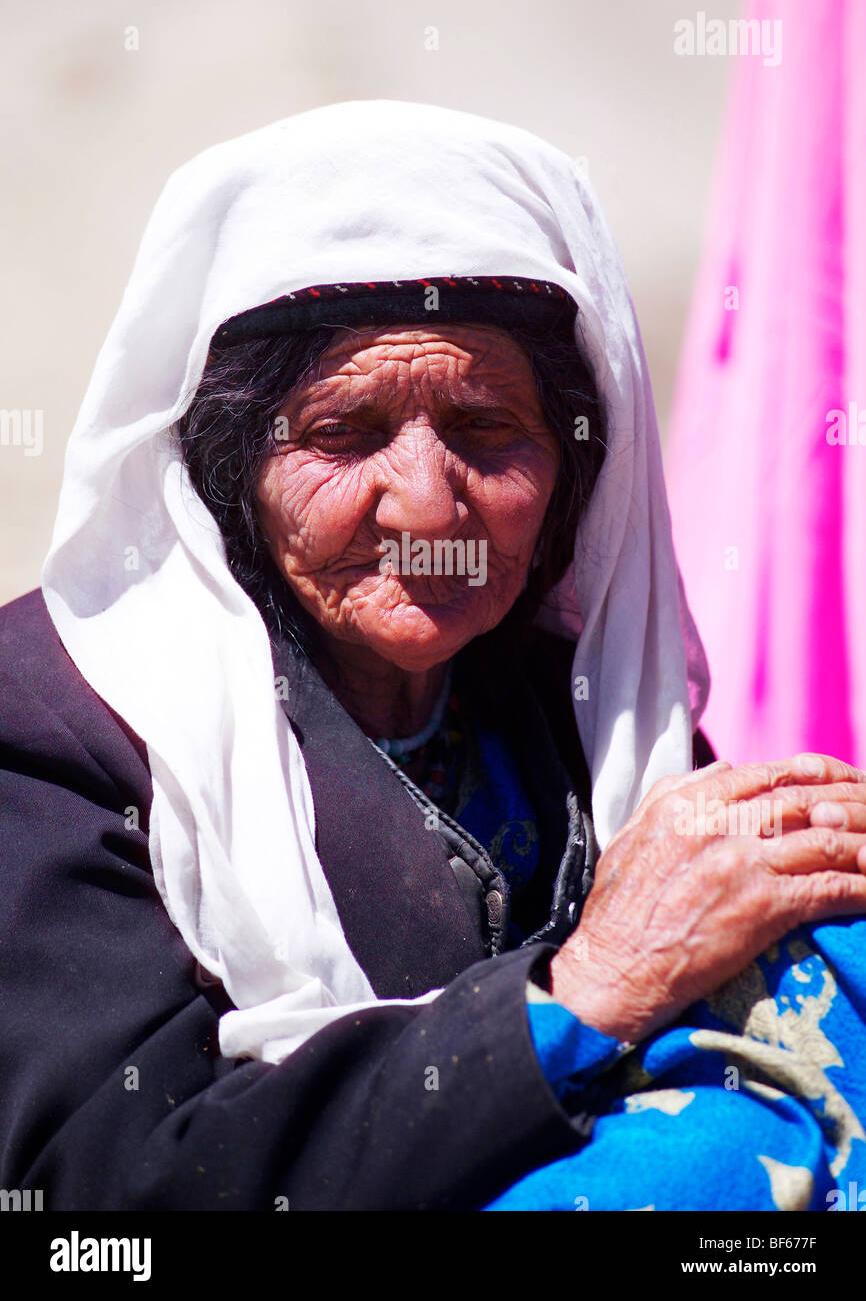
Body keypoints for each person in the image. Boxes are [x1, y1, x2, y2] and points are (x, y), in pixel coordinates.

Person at [2, 100, 865, 1212]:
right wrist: (572, 993)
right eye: (341, 434)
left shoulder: (581, 707)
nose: (425, 504)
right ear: (229, 476)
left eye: (487, 430)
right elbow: (99, 1201)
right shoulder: (55, 737)